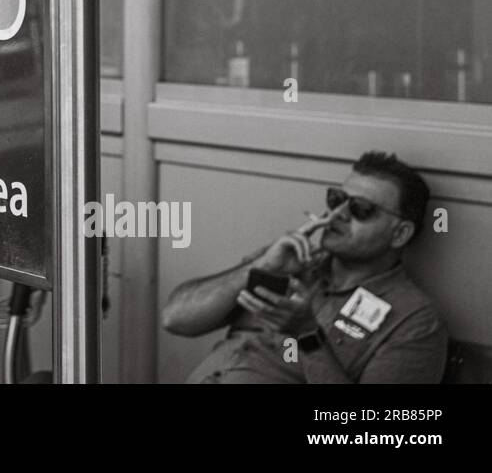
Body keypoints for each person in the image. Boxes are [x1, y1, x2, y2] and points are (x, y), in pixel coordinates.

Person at [162, 151, 447, 384]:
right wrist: (259, 267)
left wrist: (307, 336)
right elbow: (176, 319)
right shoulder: (291, 262)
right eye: (336, 199)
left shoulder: (413, 320)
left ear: (399, 234)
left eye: (360, 209)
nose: (338, 214)